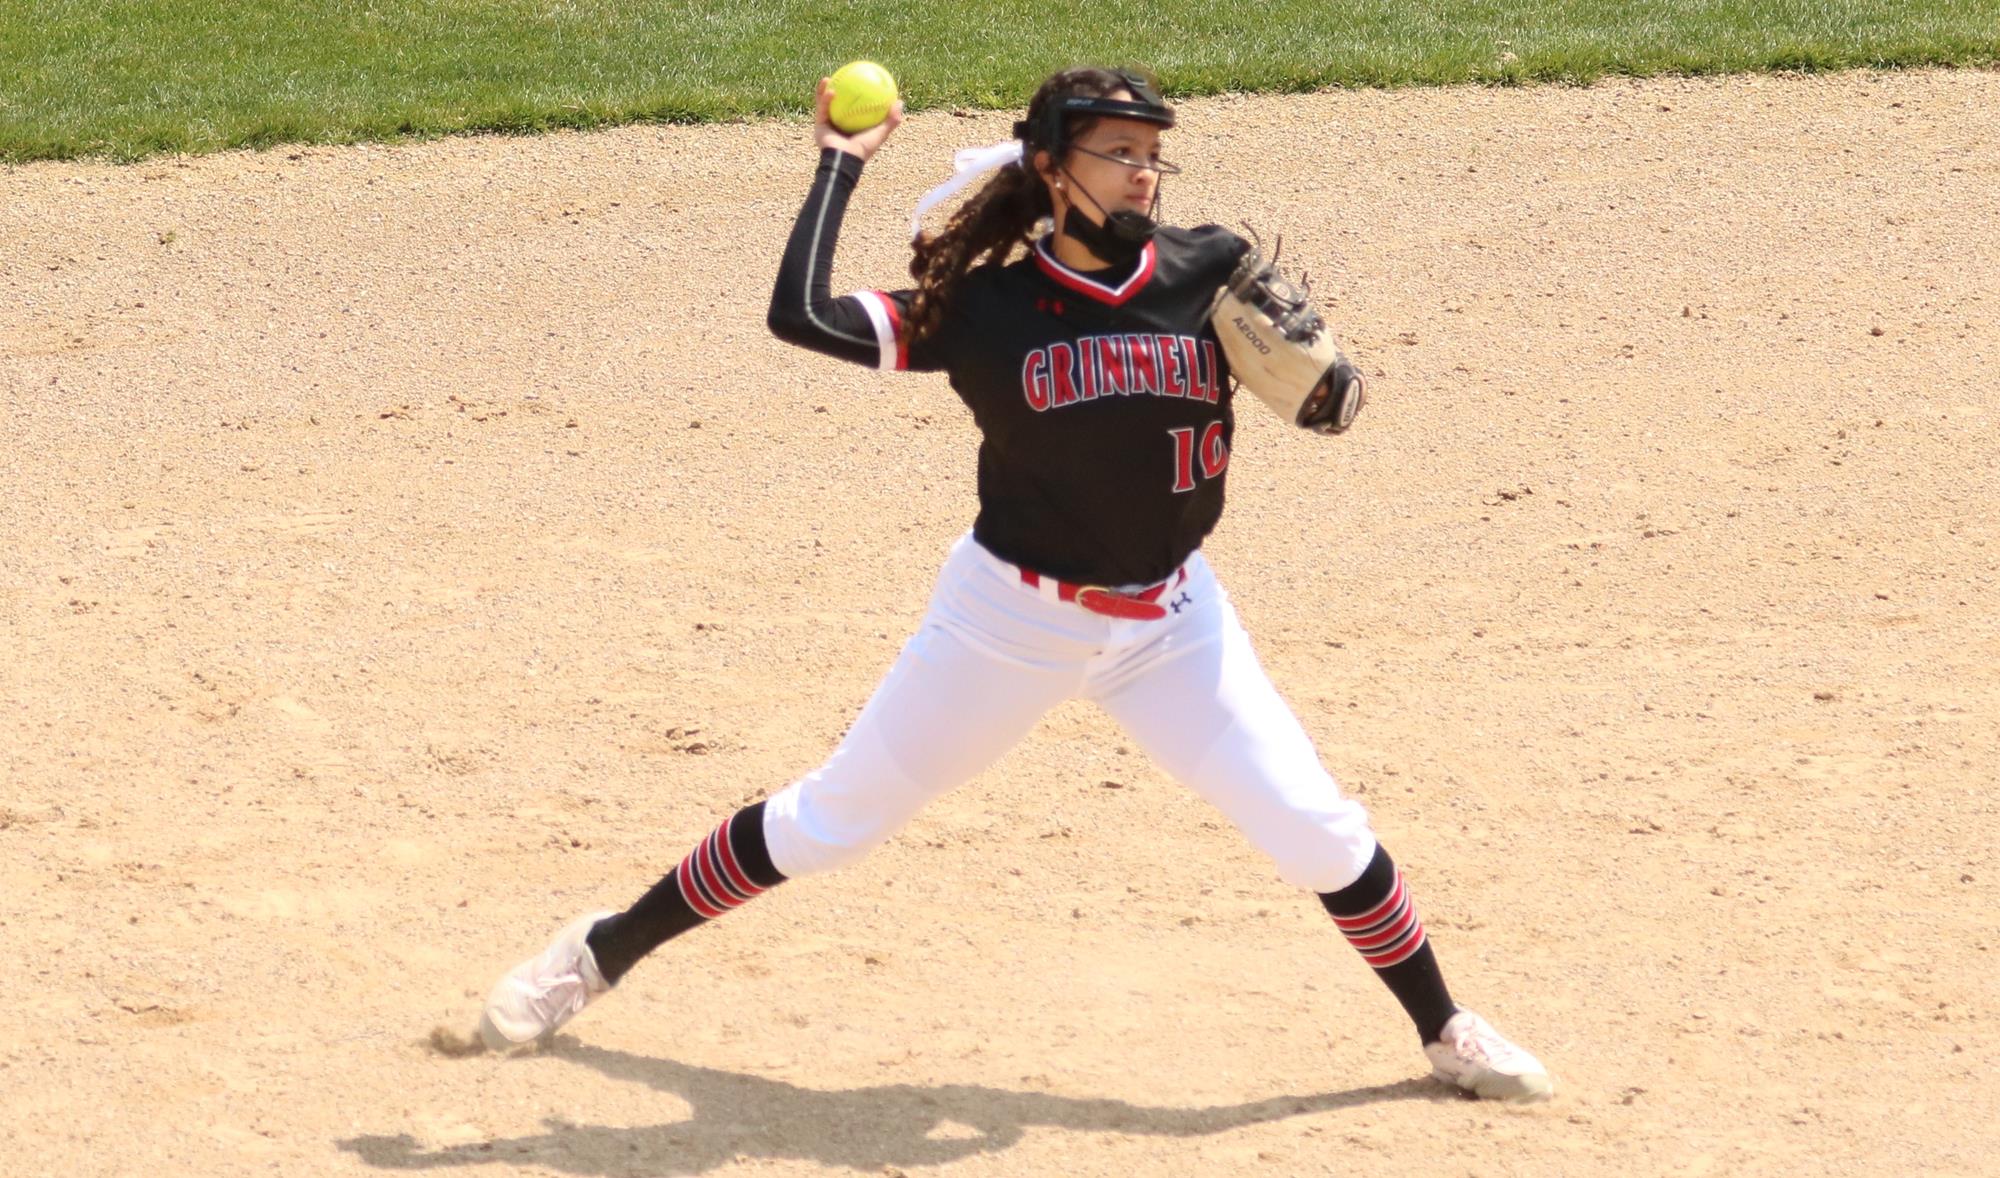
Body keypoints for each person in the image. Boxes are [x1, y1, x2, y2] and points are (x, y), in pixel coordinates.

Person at [479, 65, 1552, 1104]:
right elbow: (798, 316)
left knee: (1316, 828)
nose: (1144, 174)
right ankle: (598, 951)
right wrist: (838, 167)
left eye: (1152, 154)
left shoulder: (1205, 268)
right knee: (827, 822)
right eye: (1118, 153)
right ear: (1049, 165)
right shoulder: (983, 310)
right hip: (1005, 622)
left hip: (1172, 621)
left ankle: (1442, 1027)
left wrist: (1330, 389)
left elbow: (1317, 392)